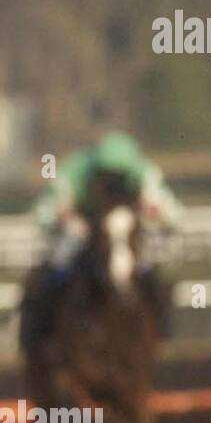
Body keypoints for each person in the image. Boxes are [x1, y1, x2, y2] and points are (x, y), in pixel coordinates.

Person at [21, 131, 179, 350]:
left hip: (126, 232)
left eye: (118, 175)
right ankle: (38, 334)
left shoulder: (146, 173)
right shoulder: (72, 171)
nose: (112, 180)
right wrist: (60, 214)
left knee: (156, 273)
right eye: (106, 174)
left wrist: (157, 211)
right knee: (53, 269)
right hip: (82, 231)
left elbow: (173, 214)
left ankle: (163, 332)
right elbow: (43, 213)